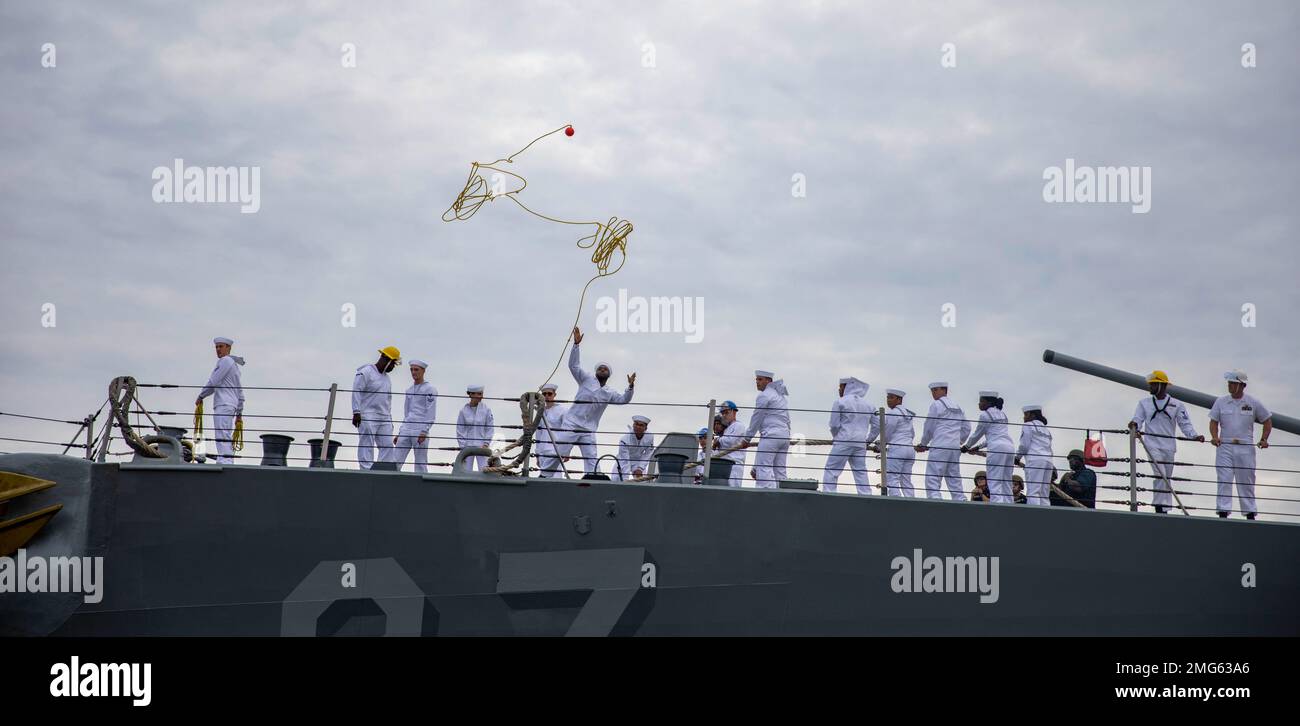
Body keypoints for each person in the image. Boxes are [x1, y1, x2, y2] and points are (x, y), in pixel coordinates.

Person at [540, 328, 635, 475]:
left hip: (589, 429)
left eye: (605, 369)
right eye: (600, 368)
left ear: (609, 374)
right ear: (596, 371)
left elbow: (624, 400)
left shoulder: (609, 393)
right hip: (572, 424)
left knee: (591, 457)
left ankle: (593, 479)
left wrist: (630, 387)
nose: (603, 370)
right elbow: (573, 366)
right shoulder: (586, 379)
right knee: (559, 452)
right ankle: (544, 475)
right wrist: (576, 345)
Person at [1129, 370, 1203, 513]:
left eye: (1152, 384)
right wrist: (1134, 425)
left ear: (1161, 385)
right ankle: (1158, 507)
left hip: (1169, 447)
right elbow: (1137, 419)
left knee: (1166, 478)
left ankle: (1165, 508)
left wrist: (1194, 436)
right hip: (1152, 444)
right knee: (1159, 474)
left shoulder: (1177, 405)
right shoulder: (1144, 403)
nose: (1149, 387)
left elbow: (1185, 424)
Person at [1210, 370, 1272, 520]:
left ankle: (1250, 513)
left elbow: (1267, 420)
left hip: (1245, 446)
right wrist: (1214, 437)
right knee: (1224, 479)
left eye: (1232, 383)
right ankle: (1223, 512)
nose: (1229, 386)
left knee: (1246, 480)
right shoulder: (1221, 401)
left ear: (1242, 385)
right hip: (1225, 445)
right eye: (1229, 383)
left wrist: (1264, 439)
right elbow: (1213, 421)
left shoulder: (1253, 402)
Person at [916, 382, 971, 500]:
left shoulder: (936, 405)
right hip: (954, 446)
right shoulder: (958, 406)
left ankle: (935, 499)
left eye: (936, 390)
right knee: (953, 475)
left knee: (933, 475)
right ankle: (960, 499)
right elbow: (967, 427)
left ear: (945, 390)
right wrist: (959, 441)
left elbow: (929, 427)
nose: (933, 393)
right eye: (932, 390)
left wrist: (923, 444)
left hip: (940, 444)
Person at [196, 336, 246, 464]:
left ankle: (225, 460)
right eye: (217, 347)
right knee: (225, 432)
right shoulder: (234, 366)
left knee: (222, 433)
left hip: (223, 403)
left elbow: (214, 382)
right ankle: (226, 458)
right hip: (231, 405)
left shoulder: (225, 361)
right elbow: (240, 393)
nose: (218, 349)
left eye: (221, 347)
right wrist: (239, 414)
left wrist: (201, 396)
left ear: (228, 348)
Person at [822, 377, 873, 495]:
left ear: (847, 387)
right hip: (860, 443)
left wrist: (837, 437)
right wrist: (868, 440)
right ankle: (866, 495)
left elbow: (834, 425)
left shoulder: (840, 402)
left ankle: (829, 494)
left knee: (832, 470)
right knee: (860, 472)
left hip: (843, 440)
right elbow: (876, 426)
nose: (839, 389)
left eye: (841, 387)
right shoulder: (869, 405)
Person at [352, 346, 400, 470]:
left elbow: (388, 400)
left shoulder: (386, 378)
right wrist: (356, 411)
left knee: (387, 445)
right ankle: (366, 469)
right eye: (393, 364)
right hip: (367, 414)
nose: (392, 368)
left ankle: (383, 469)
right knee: (366, 443)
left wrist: (389, 419)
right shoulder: (366, 371)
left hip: (384, 416)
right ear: (386, 359)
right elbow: (357, 391)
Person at [963, 391, 1015, 503]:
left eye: (981, 401)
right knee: (1006, 481)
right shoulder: (1003, 414)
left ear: (988, 403)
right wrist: (978, 447)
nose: (979, 404)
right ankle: (1009, 504)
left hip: (996, 449)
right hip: (1009, 447)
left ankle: (997, 506)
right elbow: (994, 436)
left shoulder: (985, 415)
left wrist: (966, 446)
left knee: (994, 481)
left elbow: (978, 433)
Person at [742, 370, 791, 489]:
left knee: (764, 469)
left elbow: (756, 418)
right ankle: (783, 497)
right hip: (784, 437)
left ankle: (765, 497)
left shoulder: (764, 396)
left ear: (768, 381)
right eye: (756, 379)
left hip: (770, 436)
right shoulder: (780, 396)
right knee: (780, 471)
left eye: (760, 379)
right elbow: (787, 419)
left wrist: (747, 438)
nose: (757, 382)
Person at [389, 359, 437, 472]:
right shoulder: (409, 390)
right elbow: (407, 413)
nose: (413, 372)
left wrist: (424, 431)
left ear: (423, 371)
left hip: (420, 428)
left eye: (416, 370)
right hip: (407, 428)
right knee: (395, 461)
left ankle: (422, 488)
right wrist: (401, 432)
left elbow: (431, 412)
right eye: (411, 370)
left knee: (420, 463)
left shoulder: (430, 389)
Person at [877, 388, 917, 497]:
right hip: (909, 448)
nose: (888, 400)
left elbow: (888, 432)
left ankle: (896, 502)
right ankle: (912, 501)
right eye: (887, 397)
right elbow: (912, 433)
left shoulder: (893, 413)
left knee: (892, 478)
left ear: (899, 400)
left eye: (891, 398)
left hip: (897, 449)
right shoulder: (908, 414)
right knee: (906, 480)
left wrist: (880, 445)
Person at [1015, 405, 1054, 506]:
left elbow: (1024, 445)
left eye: (1025, 415)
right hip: (1048, 461)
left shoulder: (1028, 425)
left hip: (1035, 460)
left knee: (1033, 492)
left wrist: (1017, 458)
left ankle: (1034, 517)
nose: (1024, 418)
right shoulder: (1046, 430)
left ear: (1032, 415)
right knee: (1044, 493)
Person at [456, 385, 495, 472]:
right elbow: (460, 430)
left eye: (481, 394)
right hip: (468, 446)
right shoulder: (463, 411)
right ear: (471, 395)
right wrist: (463, 447)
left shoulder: (486, 410)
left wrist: (486, 443)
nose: (481, 397)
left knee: (484, 470)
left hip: (482, 446)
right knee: (466, 470)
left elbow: (490, 428)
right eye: (479, 394)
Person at [534, 383, 569, 477]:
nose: (547, 396)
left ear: (554, 395)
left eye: (549, 394)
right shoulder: (540, 412)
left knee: (556, 478)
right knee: (544, 480)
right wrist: (537, 454)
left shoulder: (562, 410)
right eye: (544, 394)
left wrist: (566, 450)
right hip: (542, 451)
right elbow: (538, 433)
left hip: (555, 450)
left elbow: (567, 432)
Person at [716, 401, 747, 487]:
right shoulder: (727, 429)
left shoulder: (738, 426)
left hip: (735, 464)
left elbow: (730, 441)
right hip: (725, 464)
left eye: (726, 412)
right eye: (723, 413)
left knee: (732, 491)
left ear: (734, 412)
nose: (724, 415)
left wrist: (718, 440)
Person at [616, 415, 655, 481]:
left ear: (645, 428)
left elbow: (648, 453)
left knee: (642, 481)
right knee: (617, 480)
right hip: (622, 460)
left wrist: (640, 468)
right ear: (633, 425)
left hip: (638, 461)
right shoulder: (624, 440)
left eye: (641, 425)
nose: (638, 427)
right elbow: (625, 461)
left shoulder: (650, 437)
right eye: (636, 424)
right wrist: (625, 480)